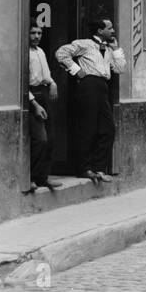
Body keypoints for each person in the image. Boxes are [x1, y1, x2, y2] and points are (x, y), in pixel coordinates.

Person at [55, 17, 126, 182]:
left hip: (102, 87)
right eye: (110, 28)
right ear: (100, 30)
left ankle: (99, 168)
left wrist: (115, 49)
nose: (113, 31)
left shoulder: (108, 49)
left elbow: (120, 68)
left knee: (108, 129)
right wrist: (76, 70)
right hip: (88, 86)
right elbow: (61, 53)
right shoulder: (85, 44)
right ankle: (84, 169)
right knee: (88, 128)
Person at [26, 23, 59, 193]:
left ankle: (43, 177)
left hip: (44, 94)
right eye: (33, 33)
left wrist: (52, 83)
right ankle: (30, 178)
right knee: (40, 139)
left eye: (39, 33)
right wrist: (35, 104)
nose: (37, 36)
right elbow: (23, 83)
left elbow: (46, 75)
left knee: (50, 139)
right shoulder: (24, 53)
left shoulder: (40, 51)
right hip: (31, 98)